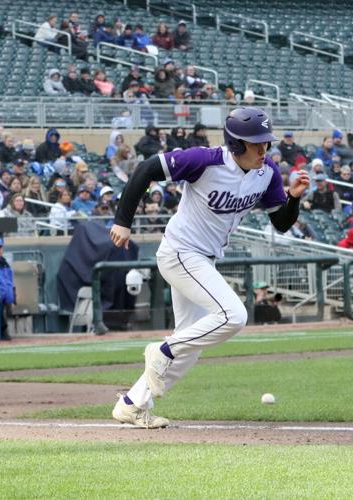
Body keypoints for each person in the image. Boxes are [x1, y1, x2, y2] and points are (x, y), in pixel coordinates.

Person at [107, 107, 307, 428]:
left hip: (203, 259)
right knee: (233, 316)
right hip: (180, 251)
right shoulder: (204, 160)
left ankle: (132, 403)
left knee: (192, 345)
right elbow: (146, 169)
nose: (264, 149)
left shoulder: (266, 171)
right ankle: (163, 350)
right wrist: (123, 221)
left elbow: (281, 222)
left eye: (266, 142)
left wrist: (294, 198)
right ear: (237, 144)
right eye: (256, 143)